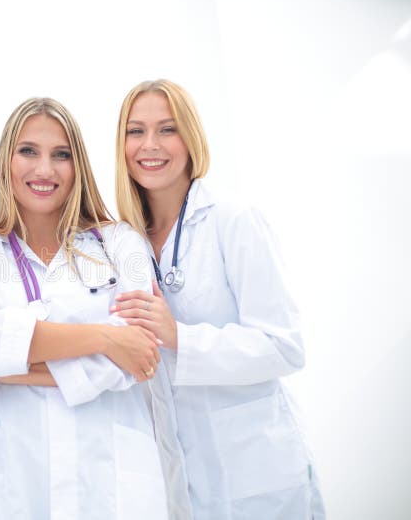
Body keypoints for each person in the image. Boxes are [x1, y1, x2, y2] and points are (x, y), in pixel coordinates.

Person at [0, 97, 189, 519]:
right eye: (28, 151)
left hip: (108, 485)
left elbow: (137, 357)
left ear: (78, 165)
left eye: (61, 155)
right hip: (10, 487)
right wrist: (105, 338)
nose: (44, 169)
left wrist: (4, 362)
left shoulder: (119, 244)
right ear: (5, 161)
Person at [112, 79, 325, 519]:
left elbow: (285, 346)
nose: (150, 145)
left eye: (167, 129)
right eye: (136, 131)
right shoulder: (122, 240)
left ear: (191, 137)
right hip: (182, 482)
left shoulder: (233, 220)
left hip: (258, 473)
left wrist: (179, 336)